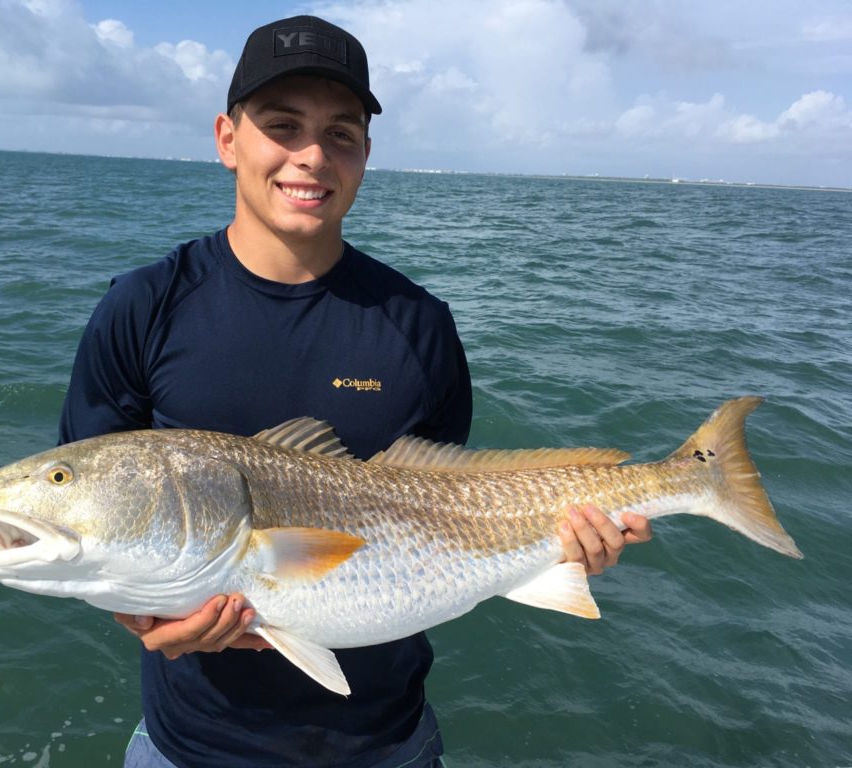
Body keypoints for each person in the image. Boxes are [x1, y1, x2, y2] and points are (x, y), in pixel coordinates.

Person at [59, 14, 652, 768]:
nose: (311, 156)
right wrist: (140, 618)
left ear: (365, 155)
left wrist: (560, 550)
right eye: (282, 125)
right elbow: (95, 524)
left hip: (386, 742)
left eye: (341, 133)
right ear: (226, 138)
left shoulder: (420, 326)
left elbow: (450, 512)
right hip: (189, 746)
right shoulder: (142, 308)